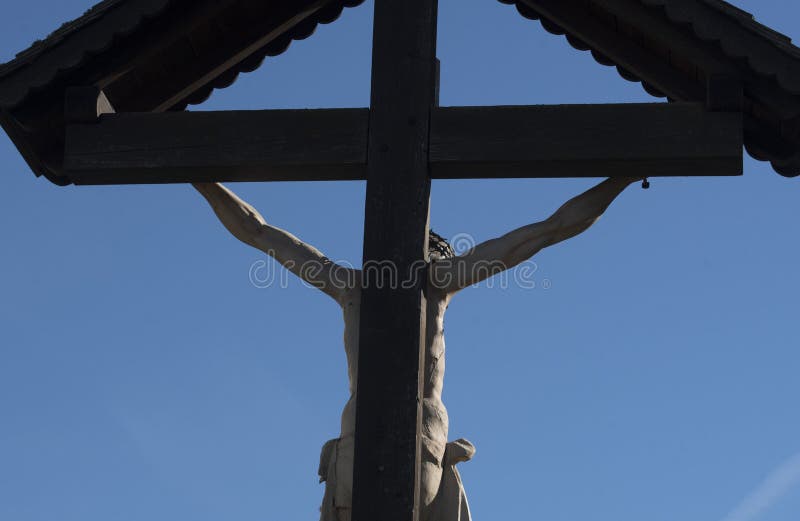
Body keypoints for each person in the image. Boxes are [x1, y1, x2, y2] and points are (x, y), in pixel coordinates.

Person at [193, 177, 640, 521]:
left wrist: (202, 178)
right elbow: (547, 231)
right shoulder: (435, 284)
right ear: (436, 255)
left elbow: (258, 232)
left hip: (361, 445)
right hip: (416, 442)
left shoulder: (350, 286)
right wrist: (621, 177)